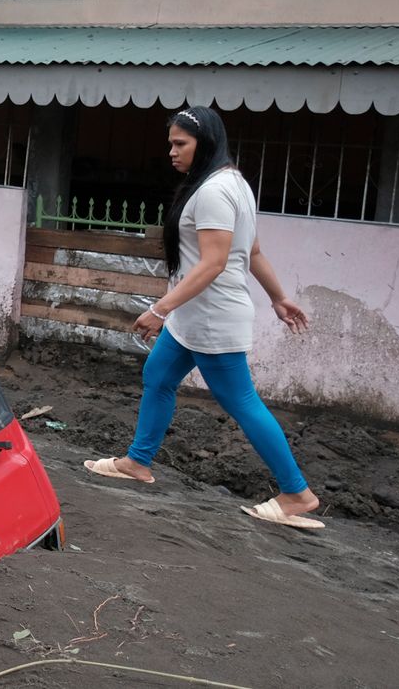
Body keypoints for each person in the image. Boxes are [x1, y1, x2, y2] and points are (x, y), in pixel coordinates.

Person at [83, 107, 321, 530]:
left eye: (180, 144)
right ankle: (137, 461)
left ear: (205, 143)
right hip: (193, 318)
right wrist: (279, 298)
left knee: (241, 402)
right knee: (158, 375)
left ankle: (296, 494)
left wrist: (160, 309)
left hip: (212, 318)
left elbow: (213, 264)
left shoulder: (213, 191)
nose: (171, 152)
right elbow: (253, 254)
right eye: (170, 143)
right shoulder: (234, 184)